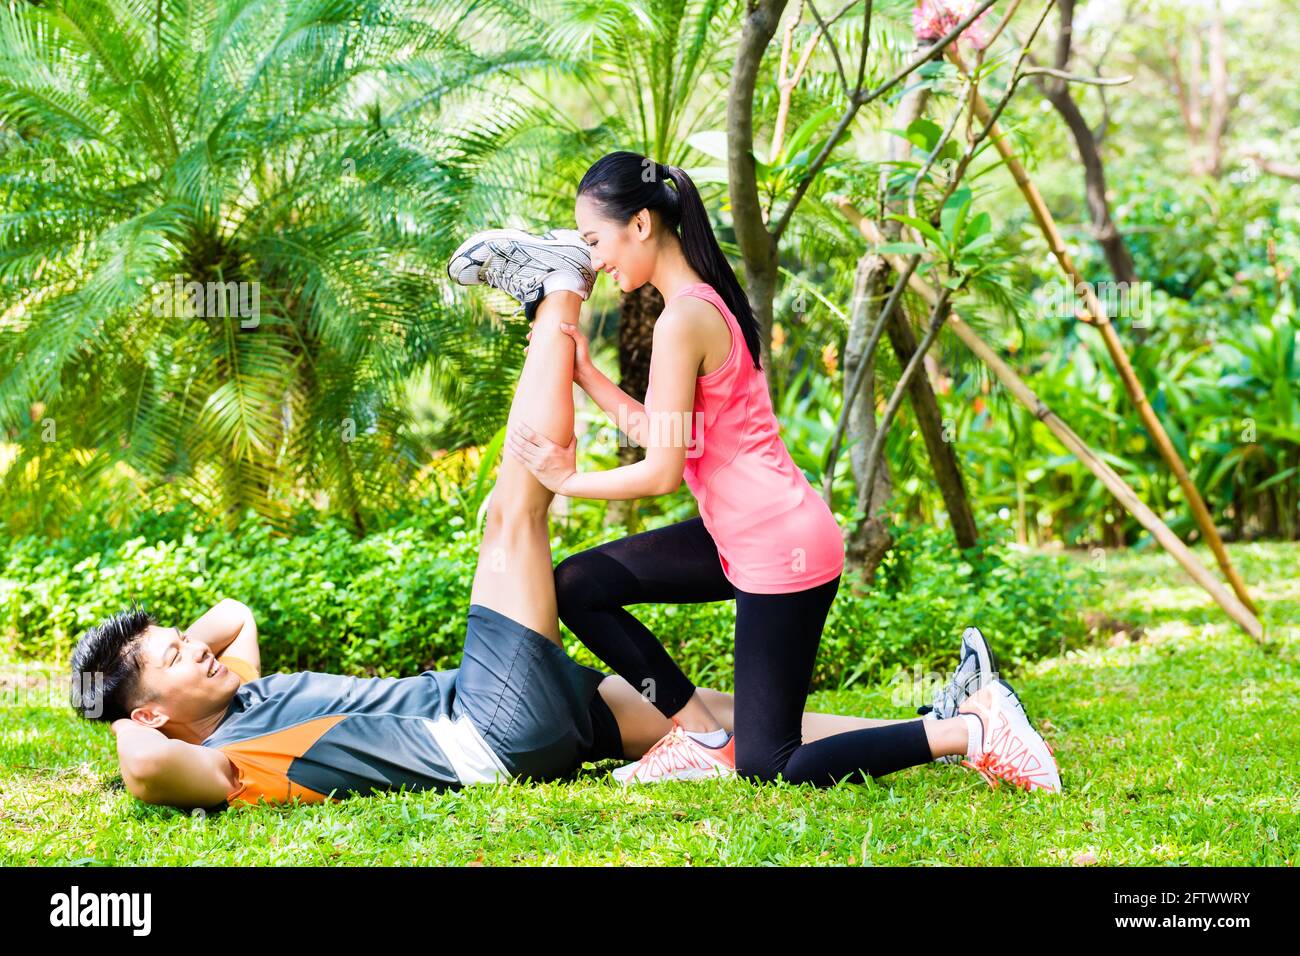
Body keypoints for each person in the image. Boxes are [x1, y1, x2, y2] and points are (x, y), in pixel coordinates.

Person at [66, 270, 1025, 809]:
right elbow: (146, 765)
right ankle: (558, 294)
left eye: (180, 642)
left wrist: (167, 661)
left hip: (527, 712)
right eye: (175, 661)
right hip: (492, 727)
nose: (200, 648)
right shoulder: (219, 764)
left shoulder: (245, 697)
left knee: (729, 727)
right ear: (145, 715)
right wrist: (126, 706)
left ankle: (959, 730)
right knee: (511, 517)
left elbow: (233, 616)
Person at [466, 151, 1061, 792]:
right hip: (742, 534)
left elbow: (662, 471)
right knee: (581, 585)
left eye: (594, 240)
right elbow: (678, 435)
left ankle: (971, 728)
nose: (597, 260)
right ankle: (700, 738)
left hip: (780, 547)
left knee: (770, 764)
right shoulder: (698, 303)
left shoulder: (683, 317)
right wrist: (588, 375)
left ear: (639, 224)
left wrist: (564, 480)